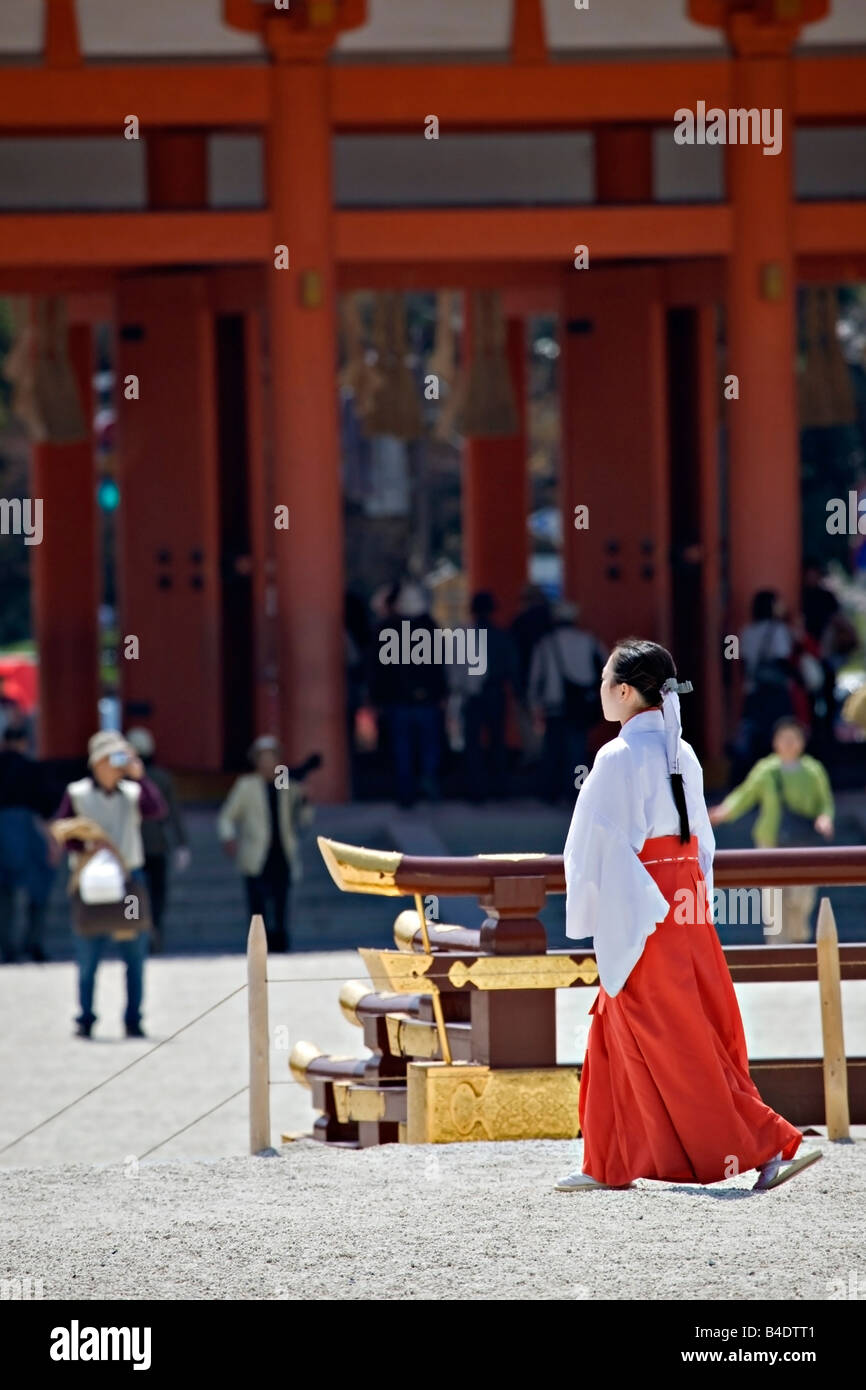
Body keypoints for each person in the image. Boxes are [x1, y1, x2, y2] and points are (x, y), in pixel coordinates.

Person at [556, 638, 819, 1193]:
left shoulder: (617, 755)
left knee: (679, 1043)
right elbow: (702, 845)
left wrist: (593, 911)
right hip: (684, 903)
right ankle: (606, 1162)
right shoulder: (686, 754)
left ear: (625, 691)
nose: (601, 690)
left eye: (606, 681)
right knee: (618, 1027)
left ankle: (770, 1142)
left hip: (644, 906)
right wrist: (693, 905)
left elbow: (590, 845)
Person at [52, 731, 167, 1039]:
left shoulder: (132, 793)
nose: (116, 764)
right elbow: (64, 832)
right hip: (91, 882)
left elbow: (156, 810)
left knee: (134, 954)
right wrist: (87, 847)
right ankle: (86, 1017)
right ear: (97, 762)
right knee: (88, 953)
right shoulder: (76, 793)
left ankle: (133, 1018)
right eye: (111, 758)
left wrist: (139, 776)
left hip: (128, 883)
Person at [709, 717, 834, 943]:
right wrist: (723, 812)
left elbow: (825, 802)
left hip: (803, 844)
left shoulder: (813, 770)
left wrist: (825, 819)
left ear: (801, 742)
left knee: (802, 898)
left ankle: (798, 941)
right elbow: (745, 795)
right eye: (783, 738)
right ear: (775, 742)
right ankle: (778, 951)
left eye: (792, 738)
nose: (788, 743)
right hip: (770, 842)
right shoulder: (766, 770)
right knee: (773, 900)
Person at [218, 736, 314, 952]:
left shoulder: (284, 783)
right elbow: (227, 816)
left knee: (282, 903)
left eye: (272, 757)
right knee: (257, 906)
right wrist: (228, 837)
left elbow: (302, 819)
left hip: (282, 853)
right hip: (256, 854)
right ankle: (259, 945)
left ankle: (281, 942)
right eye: (264, 758)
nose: (269, 763)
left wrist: (305, 799)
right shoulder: (247, 786)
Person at [369, 582, 447, 808]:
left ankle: (406, 794)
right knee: (428, 746)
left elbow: (378, 669)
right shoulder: (431, 628)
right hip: (427, 700)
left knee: (402, 749)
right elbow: (439, 666)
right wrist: (441, 693)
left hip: (398, 701)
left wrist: (377, 697)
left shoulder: (386, 629)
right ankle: (428, 783)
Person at [529, 600, 606, 804]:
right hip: (580, 705)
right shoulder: (589, 641)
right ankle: (577, 793)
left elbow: (536, 678)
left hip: (554, 706)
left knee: (552, 751)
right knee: (577, 751)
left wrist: (534, 704)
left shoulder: (546, 643)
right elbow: (607, 667)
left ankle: (550, 793)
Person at [125, 727, 190, 954]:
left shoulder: (121, 779)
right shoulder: (161, 778)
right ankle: (154, 931)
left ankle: (138, 933)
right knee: (156, 895)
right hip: (155, 845)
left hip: (131, 847)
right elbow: (173, 813)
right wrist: (181, 843)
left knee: (133, 894)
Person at [0, 725, 57, 962]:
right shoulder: (33, 769)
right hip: (29, 830)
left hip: (3, 834)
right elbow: (46, 809)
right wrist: (53, 843)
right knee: (38, 892)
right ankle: (34, 942)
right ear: (24, 742)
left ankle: (7, 946)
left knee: (5, 895)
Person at [729, 589, 796, 781]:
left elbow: (737, 659)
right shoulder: (779, 629)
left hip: (753, 690)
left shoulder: (746, 631)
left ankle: (750, 778)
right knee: (780, 733)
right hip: (775, 691)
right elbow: (783, 659)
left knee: (752, 736)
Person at [460, 591, 518, 801]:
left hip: (472, 696)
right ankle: (500, 789)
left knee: (472, 744)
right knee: (497, 743)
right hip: (495, 693)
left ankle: (476, 791)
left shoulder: (464, 635)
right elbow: (512, 667)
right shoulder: (502, 636)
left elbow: (455, 670)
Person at [509, 584, 551, 764]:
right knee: (551, 722)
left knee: (527, 721)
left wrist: (516, 684)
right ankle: (548, 759)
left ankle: (532, 756)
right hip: (552, 680)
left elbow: (513, 656)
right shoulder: (551, 621)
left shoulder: (519, 622)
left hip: (525, 678)